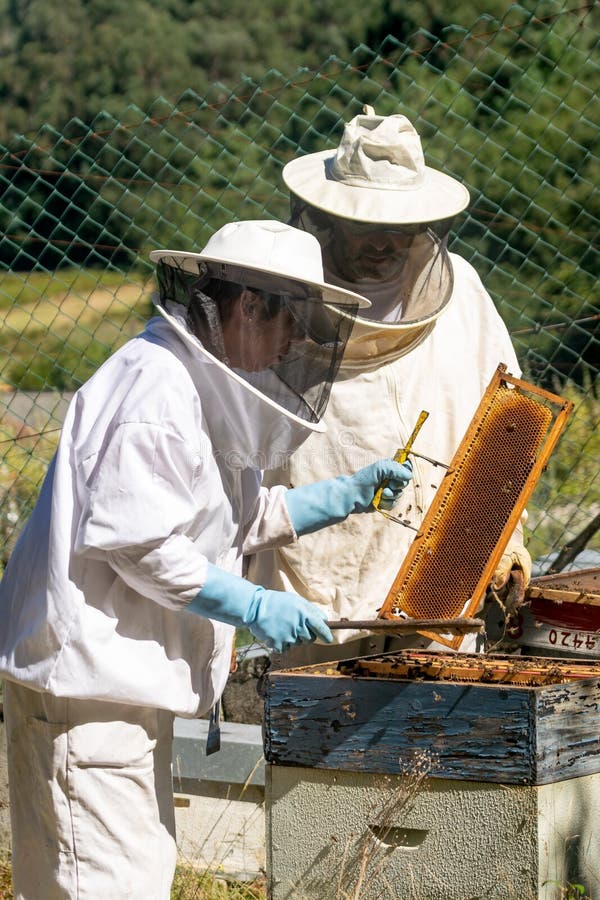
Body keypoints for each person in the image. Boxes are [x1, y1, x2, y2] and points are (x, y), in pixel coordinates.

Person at [0, 219, 414, 898]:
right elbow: (142, 543)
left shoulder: (204, 384)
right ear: (249, 305)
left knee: (108, 879)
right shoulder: (157, 390)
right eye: (294, 322)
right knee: (106, 886)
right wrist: (253, 603)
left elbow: (233, 523)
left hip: (115, 689)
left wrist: (344, 496)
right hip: (89, 692)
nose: (297, 345)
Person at [250, 108, 532, 663]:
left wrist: (507, 540)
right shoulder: (282, 299)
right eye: (366, 225)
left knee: (440, 745)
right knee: (317, 742)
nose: (384, 243)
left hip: (445, 583)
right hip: (322, 603)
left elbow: (509, 425)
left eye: (399, 227)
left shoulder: (463, 294)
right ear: (328, 218)